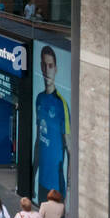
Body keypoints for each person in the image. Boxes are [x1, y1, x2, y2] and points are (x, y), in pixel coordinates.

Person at [33, 45, 71, 204]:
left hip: (56, 187)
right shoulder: (39, 99)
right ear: (41, 67)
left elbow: (70, 150)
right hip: (41, 182)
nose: (47, 70)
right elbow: (38, 140)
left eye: (51, 66)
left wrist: (69, 193)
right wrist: (32, 174)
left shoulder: (61, 104)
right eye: (44, 65)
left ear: (55, 68)